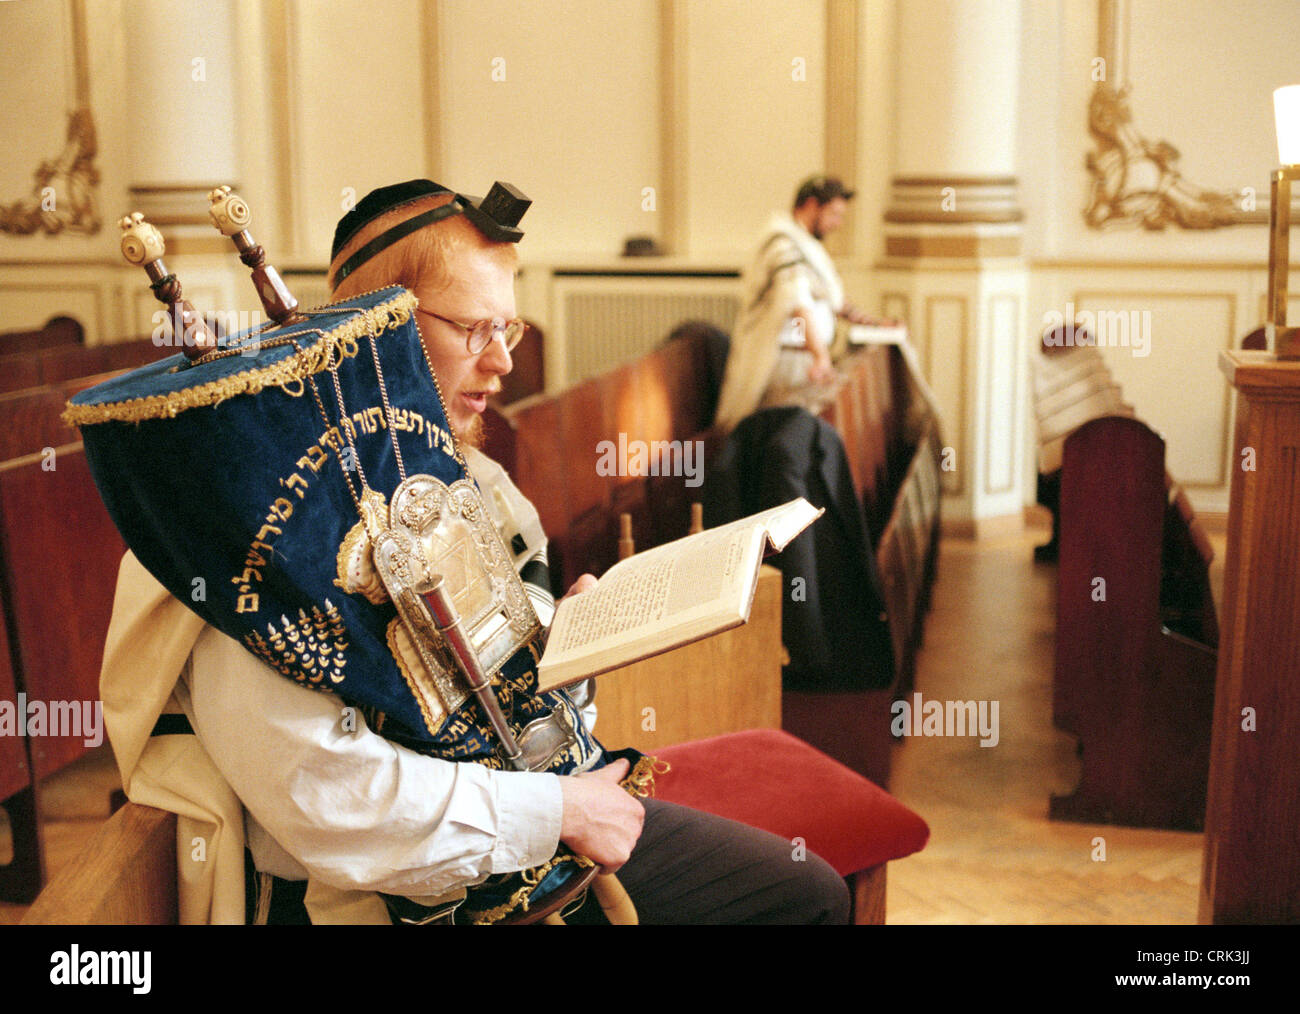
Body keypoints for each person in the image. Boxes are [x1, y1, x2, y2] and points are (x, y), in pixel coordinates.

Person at [96, 180, 850, 925]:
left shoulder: (464, 478)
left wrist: (564, 650)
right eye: (475, 331)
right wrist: (556, 811)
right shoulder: (249, 536)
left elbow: (493, 713)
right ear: (378, 325)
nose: (504, 364)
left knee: (807, 892)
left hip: (529, 829)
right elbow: (325, 803)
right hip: (400, 898)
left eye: (509, 331)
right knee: (804, 901)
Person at [713, 175, 883, 432]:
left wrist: (873, 322)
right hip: (784, 363)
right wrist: (820, 356)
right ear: (812, 205)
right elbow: (797, 302)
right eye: (834, 214)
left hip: (802, 359)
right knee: (777, 437)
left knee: (793, 439)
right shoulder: (783, 243)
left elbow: (828, 297)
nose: (838, 224)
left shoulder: (804, 243)